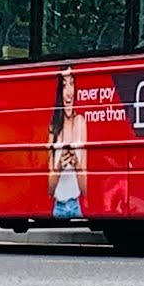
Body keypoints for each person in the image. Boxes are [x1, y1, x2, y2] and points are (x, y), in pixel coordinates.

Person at [47, 66, 87, 219]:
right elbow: (50, 191)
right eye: (64, 86)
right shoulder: (53, 129)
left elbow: (84, 190)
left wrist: (77, 165)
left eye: (72, 83)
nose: (69, 92)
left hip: (76, 206)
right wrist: (59, 168)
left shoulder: (80, 123)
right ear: (59, 92)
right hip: (58, 209)